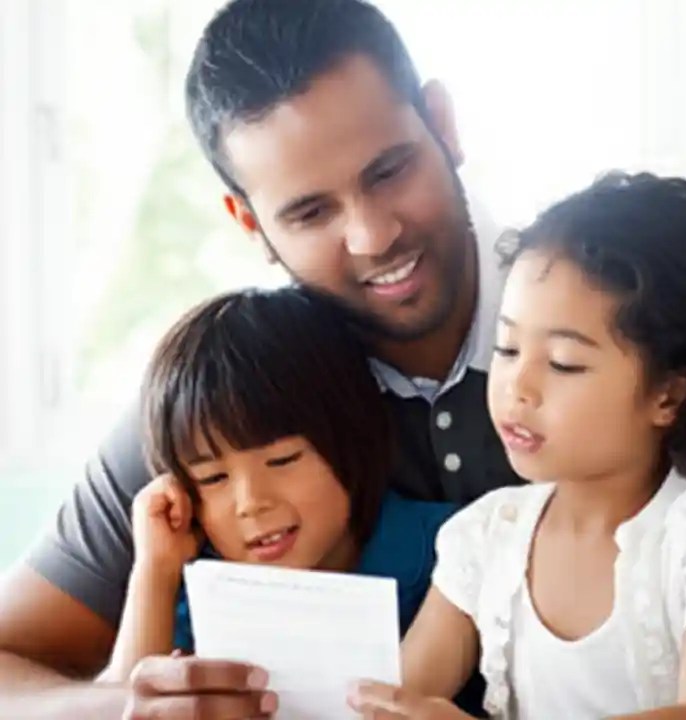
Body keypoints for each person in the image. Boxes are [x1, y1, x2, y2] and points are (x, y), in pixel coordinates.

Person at [0, 1, 518, 717]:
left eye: (390, 170)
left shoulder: (635, 324)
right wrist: (124, 707)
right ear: (250, 223)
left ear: (444, 124)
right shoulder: (236, 393)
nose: (372, 235)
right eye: (310, 213)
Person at [347, 172, 686, 719]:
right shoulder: (487, 536)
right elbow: (391, 702)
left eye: (563, 363)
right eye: (508, 347)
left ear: (668, 395)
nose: (519, 386)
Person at [96, 287, 484, 716]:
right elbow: (126, 706)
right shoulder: (209, 597)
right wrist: (155, 569)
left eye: (283, 460)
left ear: (353, 437)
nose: (250, 502)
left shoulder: (453, 549)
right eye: (212, 478)